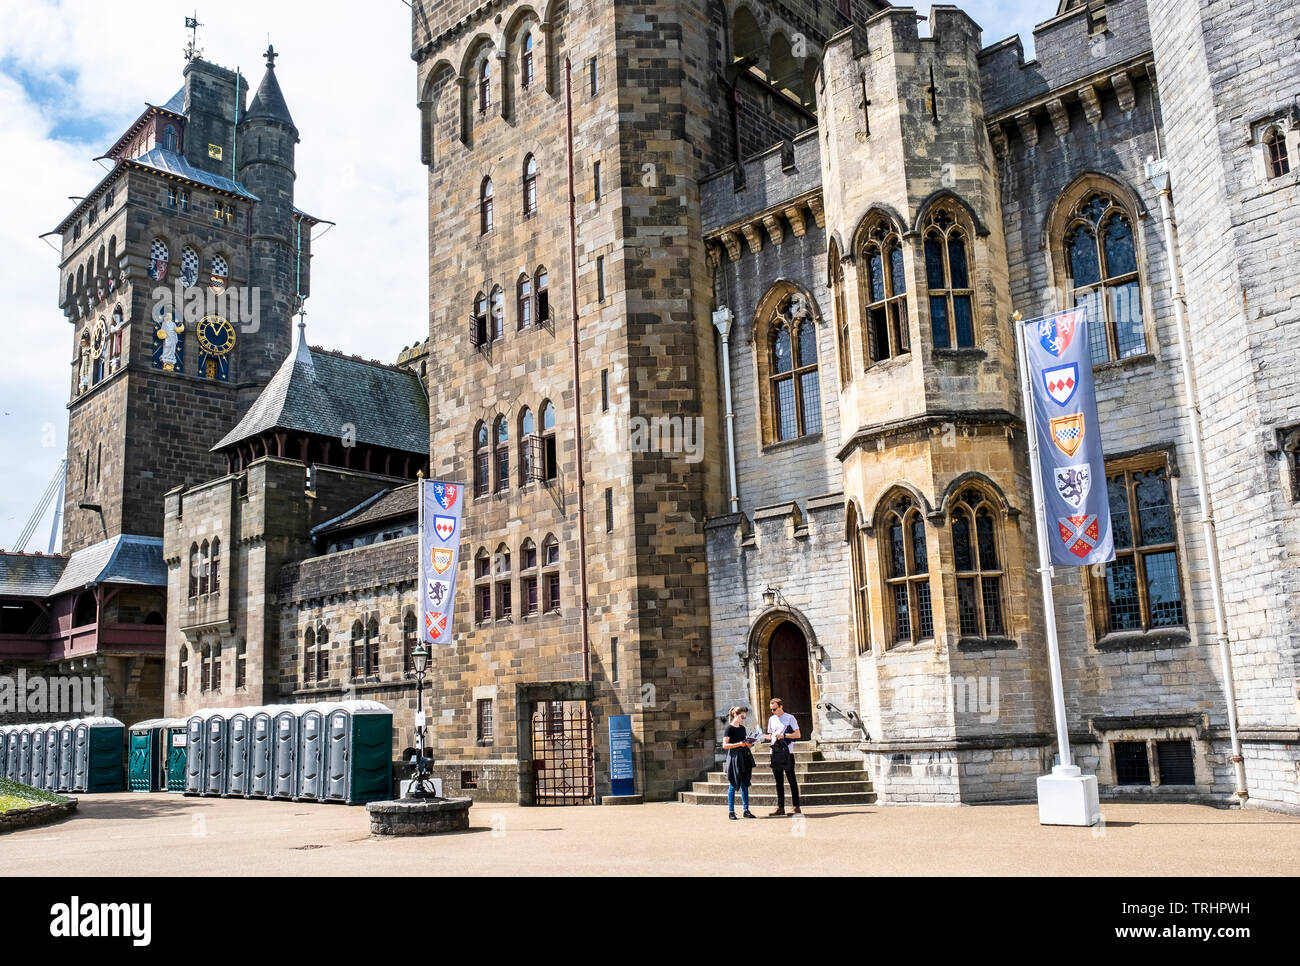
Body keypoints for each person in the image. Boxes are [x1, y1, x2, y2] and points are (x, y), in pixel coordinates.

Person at [766, 697, 801, 816]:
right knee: (778, 781)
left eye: (774, 709)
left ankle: (796, 807)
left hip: (787, 753)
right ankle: (780, 807)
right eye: (771, 709)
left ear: (781, 706)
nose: (773, 712)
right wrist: (762, 736)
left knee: (792, 780)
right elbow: (771, 735)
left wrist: (784, 735)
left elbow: (797, 734)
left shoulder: (790, 718)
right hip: (775, 753)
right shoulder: (771, 719)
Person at [722, 706, 756, 819]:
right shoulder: (729, 728)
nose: (743, 719)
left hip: (744, 757)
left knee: (745, 784)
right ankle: (731, 812)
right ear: (736, 715)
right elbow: (725, 745)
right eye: (742, 716)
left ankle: (746, 810)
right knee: (733, 784)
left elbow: (745, 743)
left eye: (744, 717)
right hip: (734, 758)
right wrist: (739, 744)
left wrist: (749, 743)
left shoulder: (742, 728)